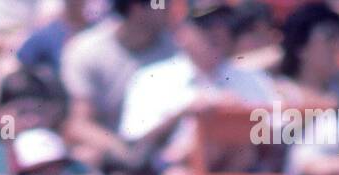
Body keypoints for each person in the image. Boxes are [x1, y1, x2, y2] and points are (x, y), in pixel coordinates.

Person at [118, 0, 275, 155]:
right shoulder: (152, 78)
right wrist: (184, 112)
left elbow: (280, 133)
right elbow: (132, 143)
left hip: (240, 171)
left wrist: (238, 114)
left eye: (225, 24)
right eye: (205, 25)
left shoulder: (252, 78)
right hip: (168, 172)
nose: (217, 32)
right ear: (181, 32)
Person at [60, 0, 176, 151]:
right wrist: (122, 149)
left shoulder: (176, 48)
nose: (170, 8)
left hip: (163, 146)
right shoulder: (87, 50)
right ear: (136, 7)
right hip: (109, 147)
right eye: (160, 3)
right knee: (86, 155)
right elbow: (79, 124)